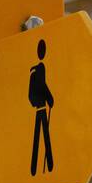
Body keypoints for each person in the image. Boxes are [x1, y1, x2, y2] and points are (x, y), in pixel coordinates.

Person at [28, 37, 55, 175]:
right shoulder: (40, 68)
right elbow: (42, 85)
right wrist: (50, 98)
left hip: (38, 106)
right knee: (44, 134)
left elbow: (32, 90)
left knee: (39, 136)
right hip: (42, 107)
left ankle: (35, 168)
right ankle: (48, 165)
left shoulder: (33, 70)